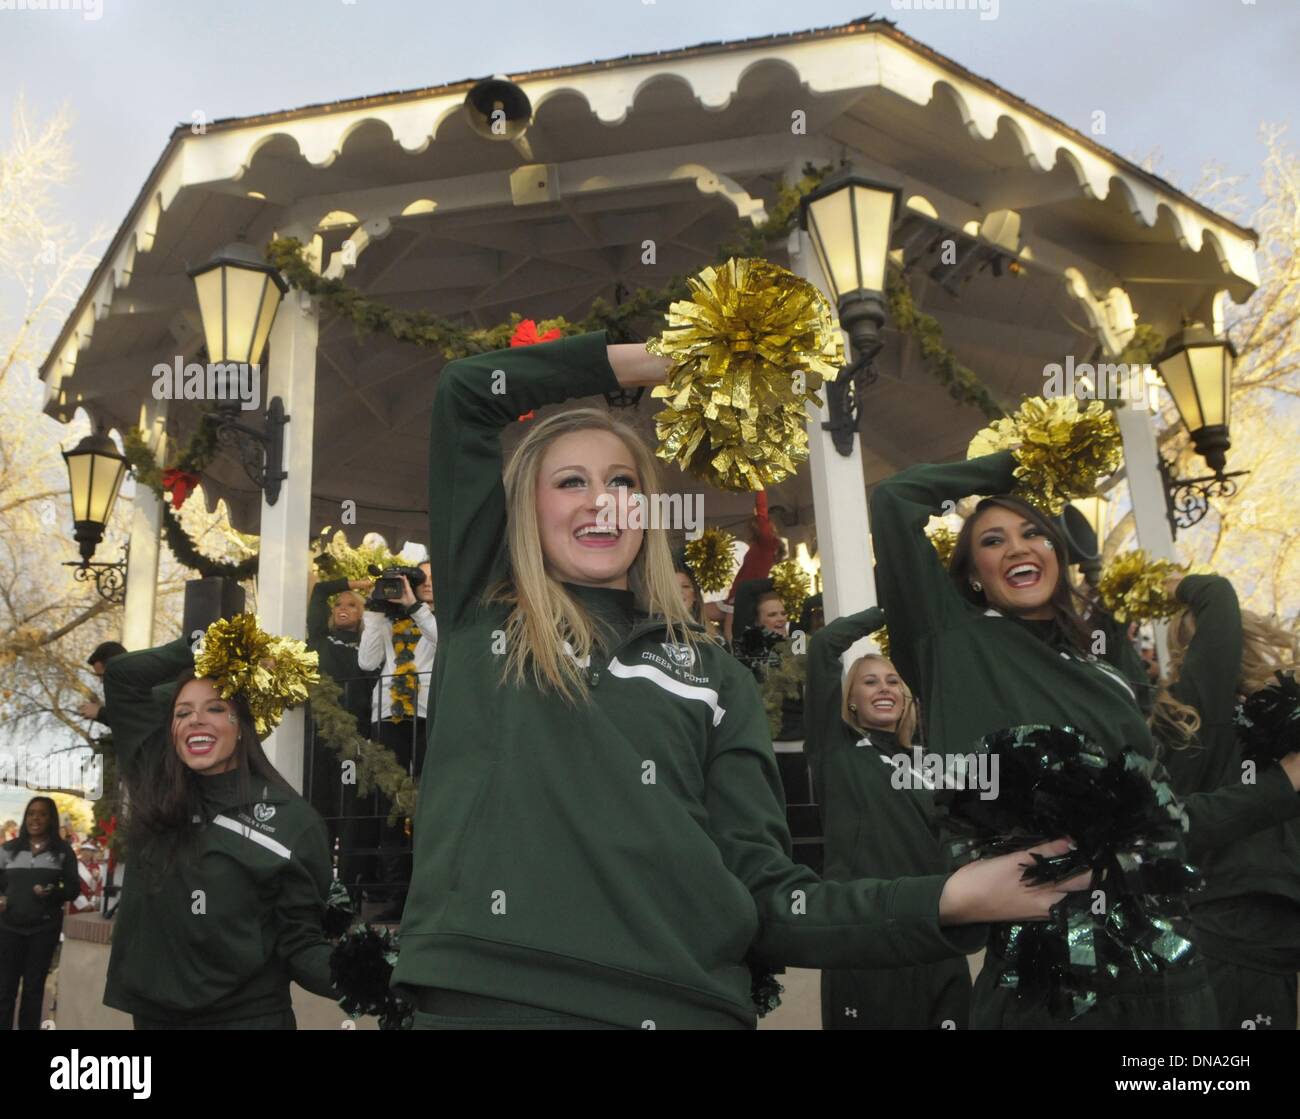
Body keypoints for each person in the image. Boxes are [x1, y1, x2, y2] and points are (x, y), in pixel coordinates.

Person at [390, 330, 1086, 1030]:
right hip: (487, 1001)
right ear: (524, 507)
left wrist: (949, 899)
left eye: (623, 482)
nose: (603, 501)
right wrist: (671, 358)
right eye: (571, 480)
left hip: (690, 1005)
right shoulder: (484, 612)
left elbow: (767, 893)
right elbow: (468, 393)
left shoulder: (715, 675)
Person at [869, 449, 1300, 1028]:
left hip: (1167, 969)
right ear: (973, 574)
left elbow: (1163, 823)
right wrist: (1030, 456)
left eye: (1034, 534)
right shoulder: (947, 643)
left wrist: (1282, 786)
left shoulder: (1111, 677)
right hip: (1046, 982)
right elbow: (895, 501)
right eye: (993, 541)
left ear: (1058, 556)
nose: (1019, 547)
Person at [101, 630, 338, 1029]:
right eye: (182, 712)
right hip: (155, 1020)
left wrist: (373, 977)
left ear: (242, 724)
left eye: (215, 708)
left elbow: (301, 944)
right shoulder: (154, 783)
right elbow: (122, 676)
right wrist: (206, 646)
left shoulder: (293, 821)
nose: (195, 718)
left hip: (250, 1018)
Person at [805, 611, 972, 1029]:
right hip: (868, 934)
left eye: (893, 680)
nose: (885, 688)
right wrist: (893, 603)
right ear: (851, 701)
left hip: (935, 933)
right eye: (871, 681)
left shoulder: (930, 764)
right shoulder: (836, 751)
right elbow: (825, 645)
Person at [1159, 575, 1300, 1029]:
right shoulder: (1193, 720)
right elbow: (1217, 596)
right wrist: (1167, 583)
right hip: (1225, 942)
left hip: (1273, 950)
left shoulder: (1274, 728)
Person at [357, 562, 437, 920]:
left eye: (435, 578)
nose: (428, 584)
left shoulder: (445, 618)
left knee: (429, 802)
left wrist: (417, 609)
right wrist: (375, 611)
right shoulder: (389, 621)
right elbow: (366, 661)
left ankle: (428, 893)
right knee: (391, 804)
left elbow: (446, 644)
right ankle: (396, 895)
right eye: (421, 578)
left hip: (429, 716)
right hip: (389, 715)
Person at [306, 573, 379, 894]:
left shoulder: (368, 647)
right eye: (339, 605)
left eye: (352, 605)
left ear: (363, 614)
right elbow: (321, 590)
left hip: (357, 740)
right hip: (320, 737)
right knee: (319, 808)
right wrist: (357, 586)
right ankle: (318, 885)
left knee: (351, 811)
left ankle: (347, 889)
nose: (342, 608)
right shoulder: (320, 638)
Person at [0, 797, 80, 1029]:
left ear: (51, 818)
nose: (36, 818)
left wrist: (52, 892)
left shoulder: (63, 852)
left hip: (43, 930)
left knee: (34, 992)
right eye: (31, 813)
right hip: (8, 929)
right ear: (25, 818)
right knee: (4, 990)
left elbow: (73, 889)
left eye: (42, 814)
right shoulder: (8, 850)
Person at [78, 640, 127, 727]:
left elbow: (137, 720)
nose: (101, 681)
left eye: (103, 676)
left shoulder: (144, 684)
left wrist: (100, 713)